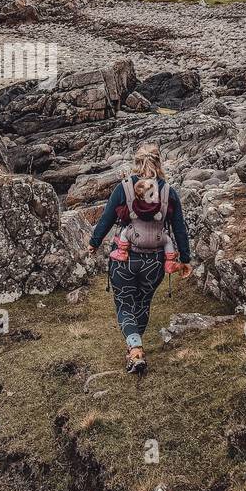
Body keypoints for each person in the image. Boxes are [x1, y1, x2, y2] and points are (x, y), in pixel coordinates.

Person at [87, 142, 191, 374]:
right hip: (154, 262)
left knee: (124, 303)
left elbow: (105, 219)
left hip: (124, 260)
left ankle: (135, 350)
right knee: (143, 303)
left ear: (136, 163)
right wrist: (184, 258)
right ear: (159, 163)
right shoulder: (168, 193)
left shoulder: (123, 189)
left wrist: (94, 244)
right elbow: (179, 228)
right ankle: (136, 345)